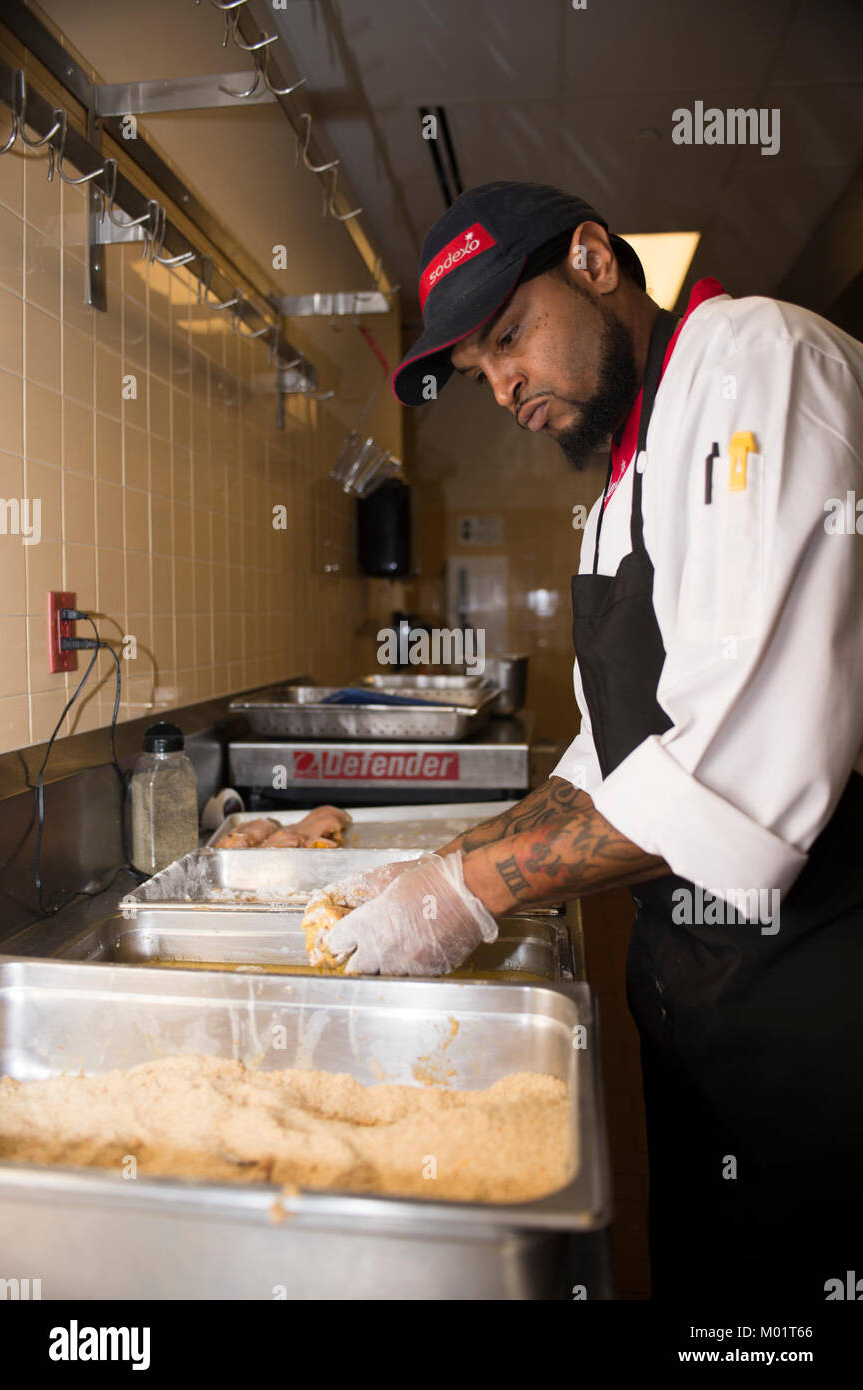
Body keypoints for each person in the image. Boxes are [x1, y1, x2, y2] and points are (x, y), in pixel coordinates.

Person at [311, 182, 863, 1301]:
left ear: (597, 260)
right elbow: (606, 763)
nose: (505, 384)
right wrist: (433, 867)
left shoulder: (756, 365)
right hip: (695, 1011)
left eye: (509, 336)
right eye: (482, 371)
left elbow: (726, 770)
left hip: (821, 1015)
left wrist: (467, 890)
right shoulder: (621, 476)